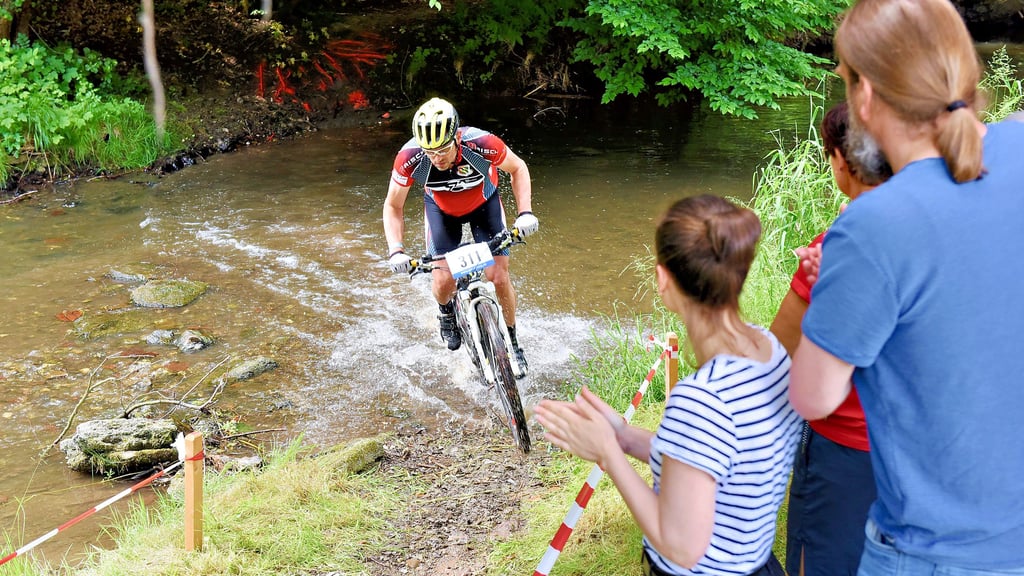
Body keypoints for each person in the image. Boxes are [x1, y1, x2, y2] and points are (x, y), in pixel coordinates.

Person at [788, 0, 1024, 573]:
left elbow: (813, 395)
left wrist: (841, 296)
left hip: (930, 550)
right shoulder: (1017, 147)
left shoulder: (869, 226)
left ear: (865, 96)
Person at [535, 195, 800, 576]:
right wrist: (624, 436)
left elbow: (681, 546)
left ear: (662, 279)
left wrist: (608, 454)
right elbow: (708, 461)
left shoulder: (701, 399)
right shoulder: (769, 350)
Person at [771, 101, 890, 576]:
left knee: (819, 560)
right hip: (909, 438)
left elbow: (780, 347)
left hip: (844, 444)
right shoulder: (927, 224)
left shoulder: (837, 247)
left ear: (841, 162)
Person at [383, 97, 538, 375]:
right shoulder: (410, 158)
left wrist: (524, 213)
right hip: (442, 213)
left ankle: (513, 341)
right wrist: (396, 249)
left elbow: (519, 169)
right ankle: (446, 313)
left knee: (499, 277)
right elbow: (393, 206)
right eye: (429, 152)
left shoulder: (481, 143)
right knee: (443, 280)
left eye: (442, 149)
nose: (437, 157)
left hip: (484, 206)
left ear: (456, 136)